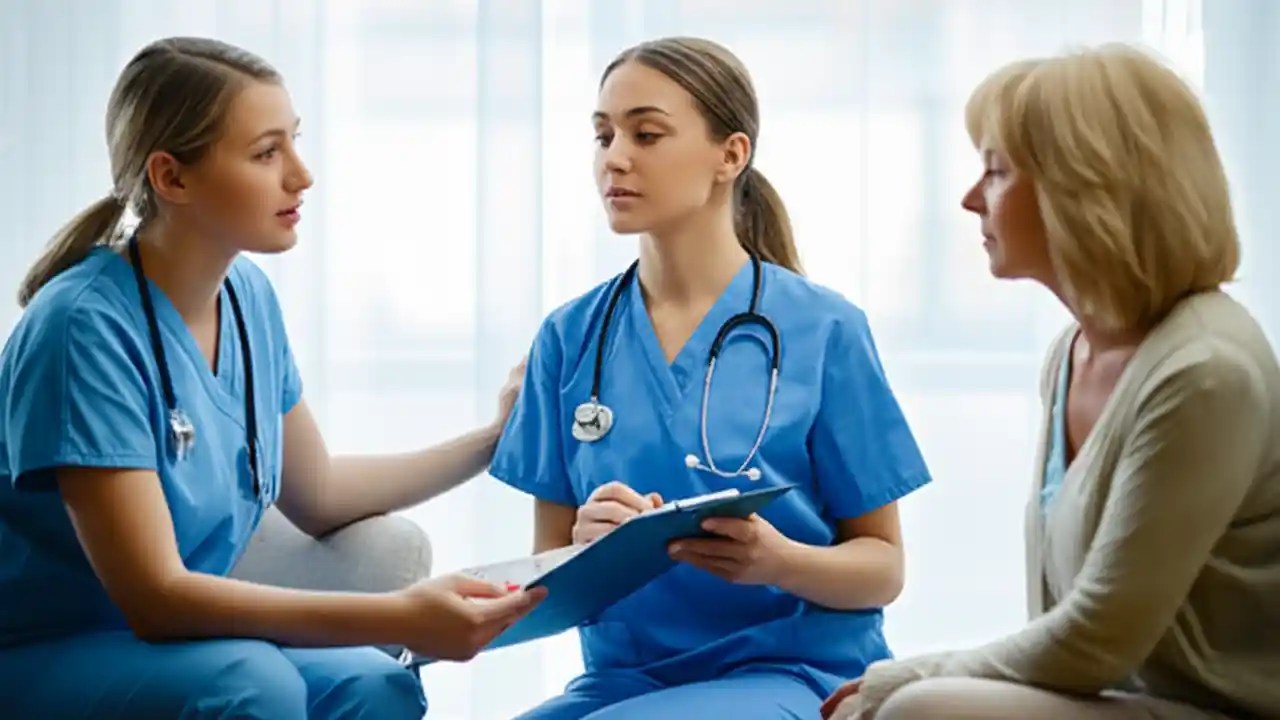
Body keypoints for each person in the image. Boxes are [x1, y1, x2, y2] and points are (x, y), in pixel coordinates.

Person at [0, 36, 544, 719]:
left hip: (177, 644)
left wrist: (492, 440)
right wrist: (397, 617)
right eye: (266, 153)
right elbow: (156, 598)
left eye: (294, 141)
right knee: (253, 683)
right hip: (50, 648)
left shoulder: (245, 296)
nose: (302, 175)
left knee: (376, 685)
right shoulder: (83, 329)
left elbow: (317, 493)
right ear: (172, 178)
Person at [822, 43, 1280, 720]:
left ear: (1085, 189)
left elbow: (1096, 640)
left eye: (997, 172)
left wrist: (897, 679)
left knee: (920, 710)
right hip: (1127, 699)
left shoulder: (1204, 374)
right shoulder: (1073, 352)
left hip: (1218, 710)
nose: (971, 198)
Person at [489, 36, 932, 719]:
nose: (615, 157)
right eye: (602, 135)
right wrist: (588, 551)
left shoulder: (824, 330)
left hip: (794, 671)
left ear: (731, 155)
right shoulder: (569, 338)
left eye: (647, 134)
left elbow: (884, 568)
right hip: (625, 684)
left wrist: (778, 561)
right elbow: (545, 577)